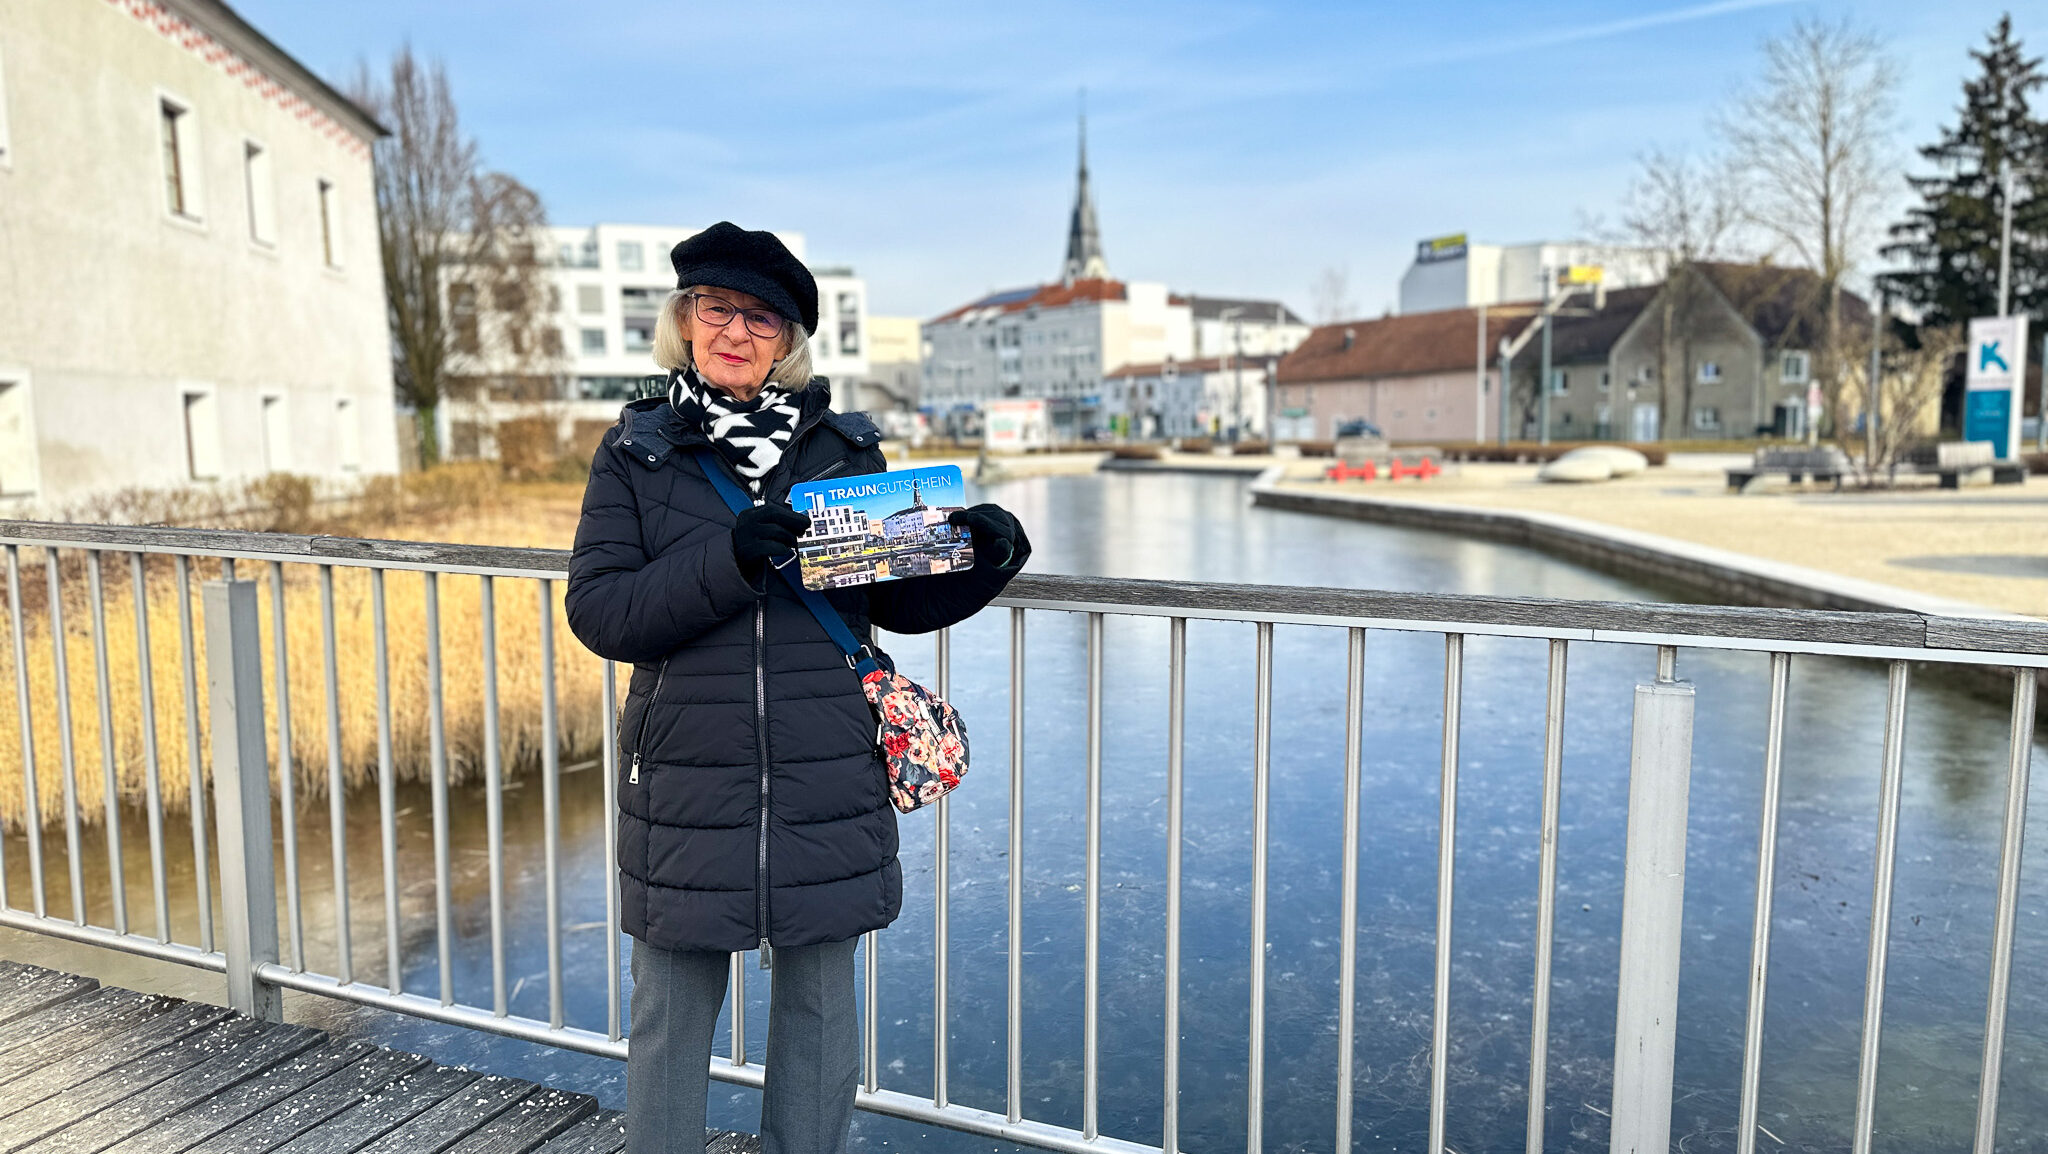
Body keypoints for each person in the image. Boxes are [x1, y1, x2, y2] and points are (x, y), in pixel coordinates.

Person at [565, 222, 1030, 1154]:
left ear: (788, 340)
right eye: (718, 309)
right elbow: (603, 612)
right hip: (689, 777)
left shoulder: (843, 453)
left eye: (762, 318)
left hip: (826, 771)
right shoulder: (636, 454)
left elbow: (891, 601)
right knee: (670, 1014)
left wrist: (981, 554)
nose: (736, 332)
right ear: (684, 319)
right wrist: (727, 559)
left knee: (819, 1011)